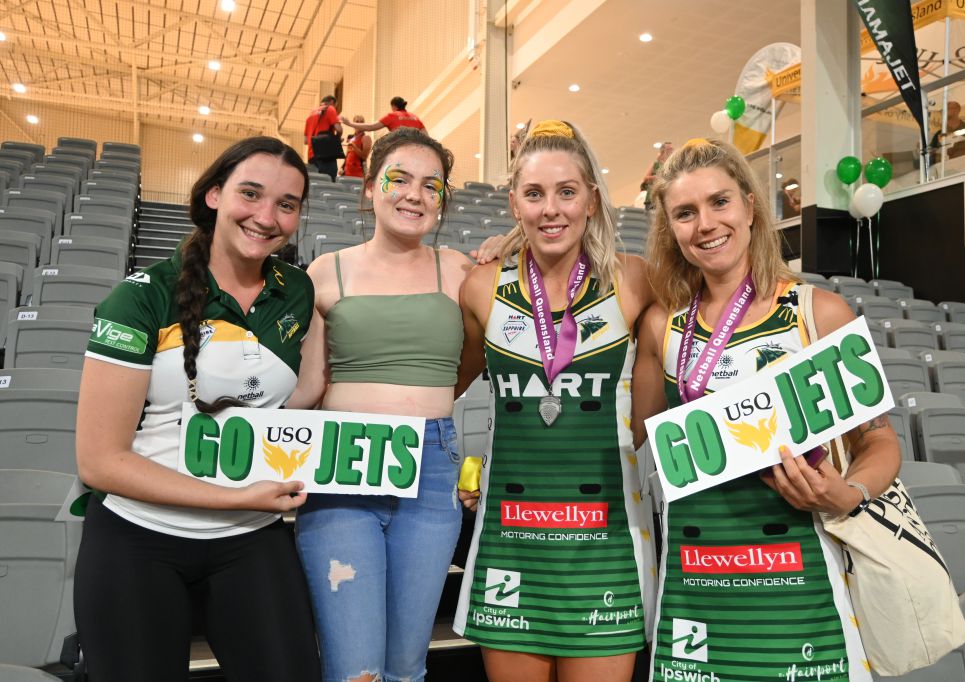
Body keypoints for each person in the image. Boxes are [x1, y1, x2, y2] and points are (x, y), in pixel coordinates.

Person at [632, 138, 901, 680]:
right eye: (685, 213)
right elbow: (636, 443)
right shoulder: (663, 326)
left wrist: (849, 493)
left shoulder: (819, 312)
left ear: (751, 207)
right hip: (696, 582)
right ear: (671, 229)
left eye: (719, 202)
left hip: (800, 576)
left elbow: (879, 440)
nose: (705, 224)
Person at [73, 137, 322, 682]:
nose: (266, 217)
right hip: (138, 538)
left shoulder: (298, 292)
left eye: (286, 204)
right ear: (213, 194)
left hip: (251, 535)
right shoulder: (140, 297)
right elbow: (99, 462)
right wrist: (235, 496)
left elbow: (295, 399)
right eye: (250, 194)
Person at [453, 120, 657, 682]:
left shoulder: (634, 280)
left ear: (591, 199)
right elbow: (444, 388)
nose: (551, 210)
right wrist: (464, 466)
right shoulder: (481, 287)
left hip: (607, 539)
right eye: (534, 194)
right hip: (512, 535)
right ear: (513, 203)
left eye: (567, 192)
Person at [288, 127, 472, 682]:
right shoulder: (326, 271)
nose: (415, 194)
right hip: (343, 466)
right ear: (369, 187)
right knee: (356, 670)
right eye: (399, 179)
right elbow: (309, 387)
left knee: (406, 666)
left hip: (430, 468)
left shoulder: (460, 270)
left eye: (431, 185)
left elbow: (474, 365)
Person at [341, 96, 428, 136]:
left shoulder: (392, 115)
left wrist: (350, 123)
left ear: (393, 106)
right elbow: (426, 136)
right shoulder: (415, 117)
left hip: (400, 149)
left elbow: (370, 127)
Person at [305, 94, 343, 180]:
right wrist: (337, 138)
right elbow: (339, 129)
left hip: (311, 155)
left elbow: (306, 140)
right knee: (328, 181)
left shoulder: (310, 115)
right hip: (325, 153)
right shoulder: (330, 109)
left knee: (315, 182)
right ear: (332, 102)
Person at [642, 142, 674, 210]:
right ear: (663, 151)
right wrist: (658, 177)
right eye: (669, 149)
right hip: (653, 199)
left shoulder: (671, 166)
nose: (671, 151)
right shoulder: (656, 164)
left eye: (672, 149)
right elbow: (645, 179)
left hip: (665, 198)